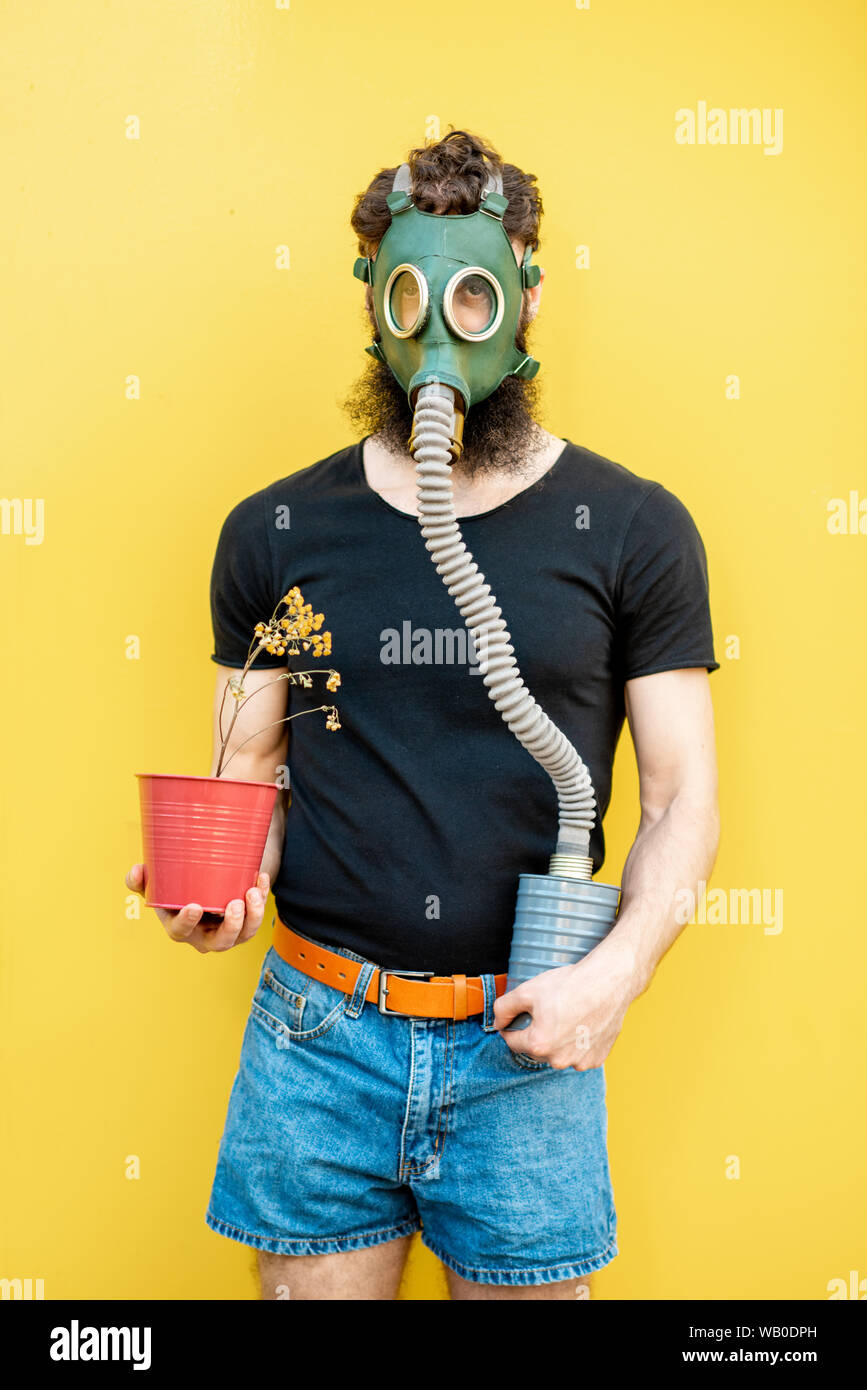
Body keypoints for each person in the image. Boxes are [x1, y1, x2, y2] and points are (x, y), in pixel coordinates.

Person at [126, 129, 720, 1301]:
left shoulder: (637, 529)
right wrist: (222, 891)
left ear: (527, 295)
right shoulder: (274, 531)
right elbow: (251, 768)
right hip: (317, 1040)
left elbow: (682, 800)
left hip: (525, 1041)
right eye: (409, 290)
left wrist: (617, 977)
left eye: (472, 290)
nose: (439, 325)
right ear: (372, 304)